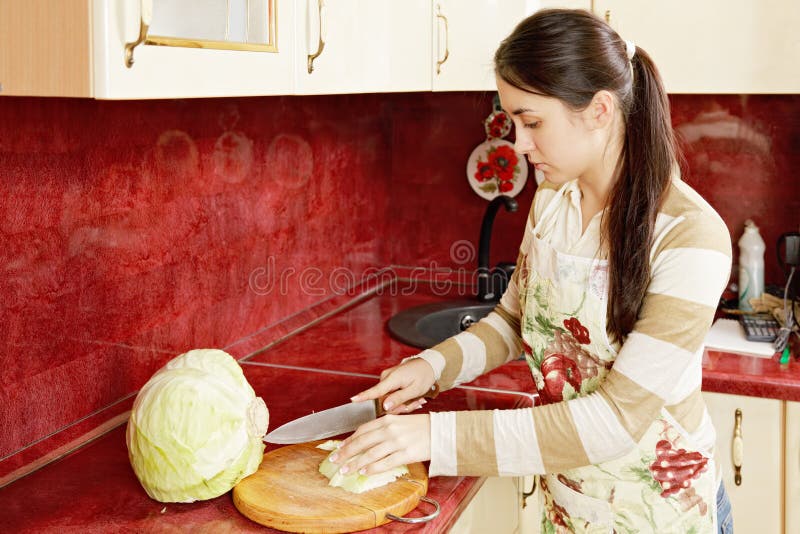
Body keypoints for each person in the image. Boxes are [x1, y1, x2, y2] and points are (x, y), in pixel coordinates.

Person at [331, 8, 733, 533]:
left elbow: (615, 422)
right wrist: (432, 367)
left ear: (599, 111)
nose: (518, 144)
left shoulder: (691, 237)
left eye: (532, 121)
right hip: (568, 508)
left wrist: (433, 438)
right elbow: (515, 321)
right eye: (513, 123)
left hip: (659, 515)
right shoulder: (552, 201)